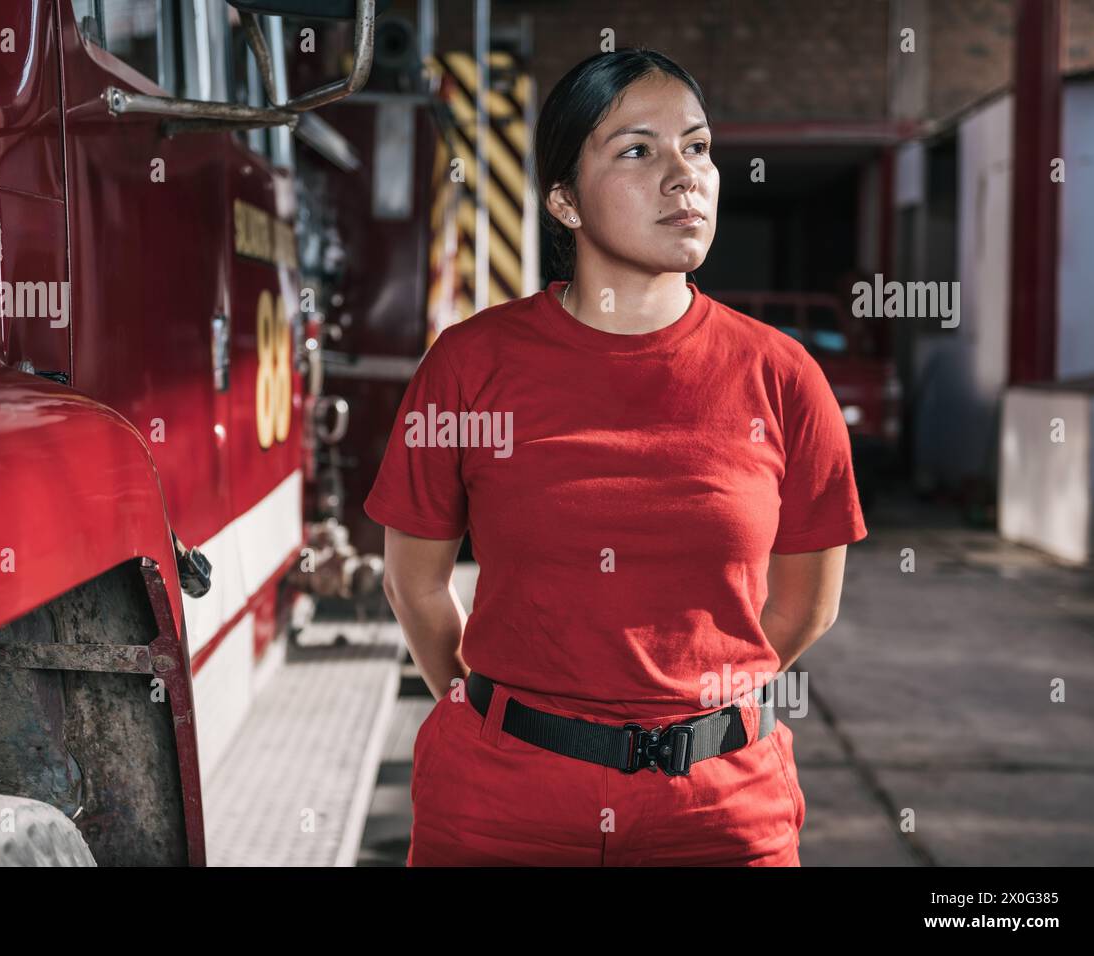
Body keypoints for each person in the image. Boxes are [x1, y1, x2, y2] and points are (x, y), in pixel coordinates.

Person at [364, 48, 867, 866]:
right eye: (638, 150)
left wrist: (689, 705)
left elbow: (807, 607)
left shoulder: (782, 375)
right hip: (501, 806)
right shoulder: (470, 363)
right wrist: (514, 719)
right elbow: (413, 582)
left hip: (720, 812)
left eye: (697, 147)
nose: (684, 177)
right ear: (564, 200)